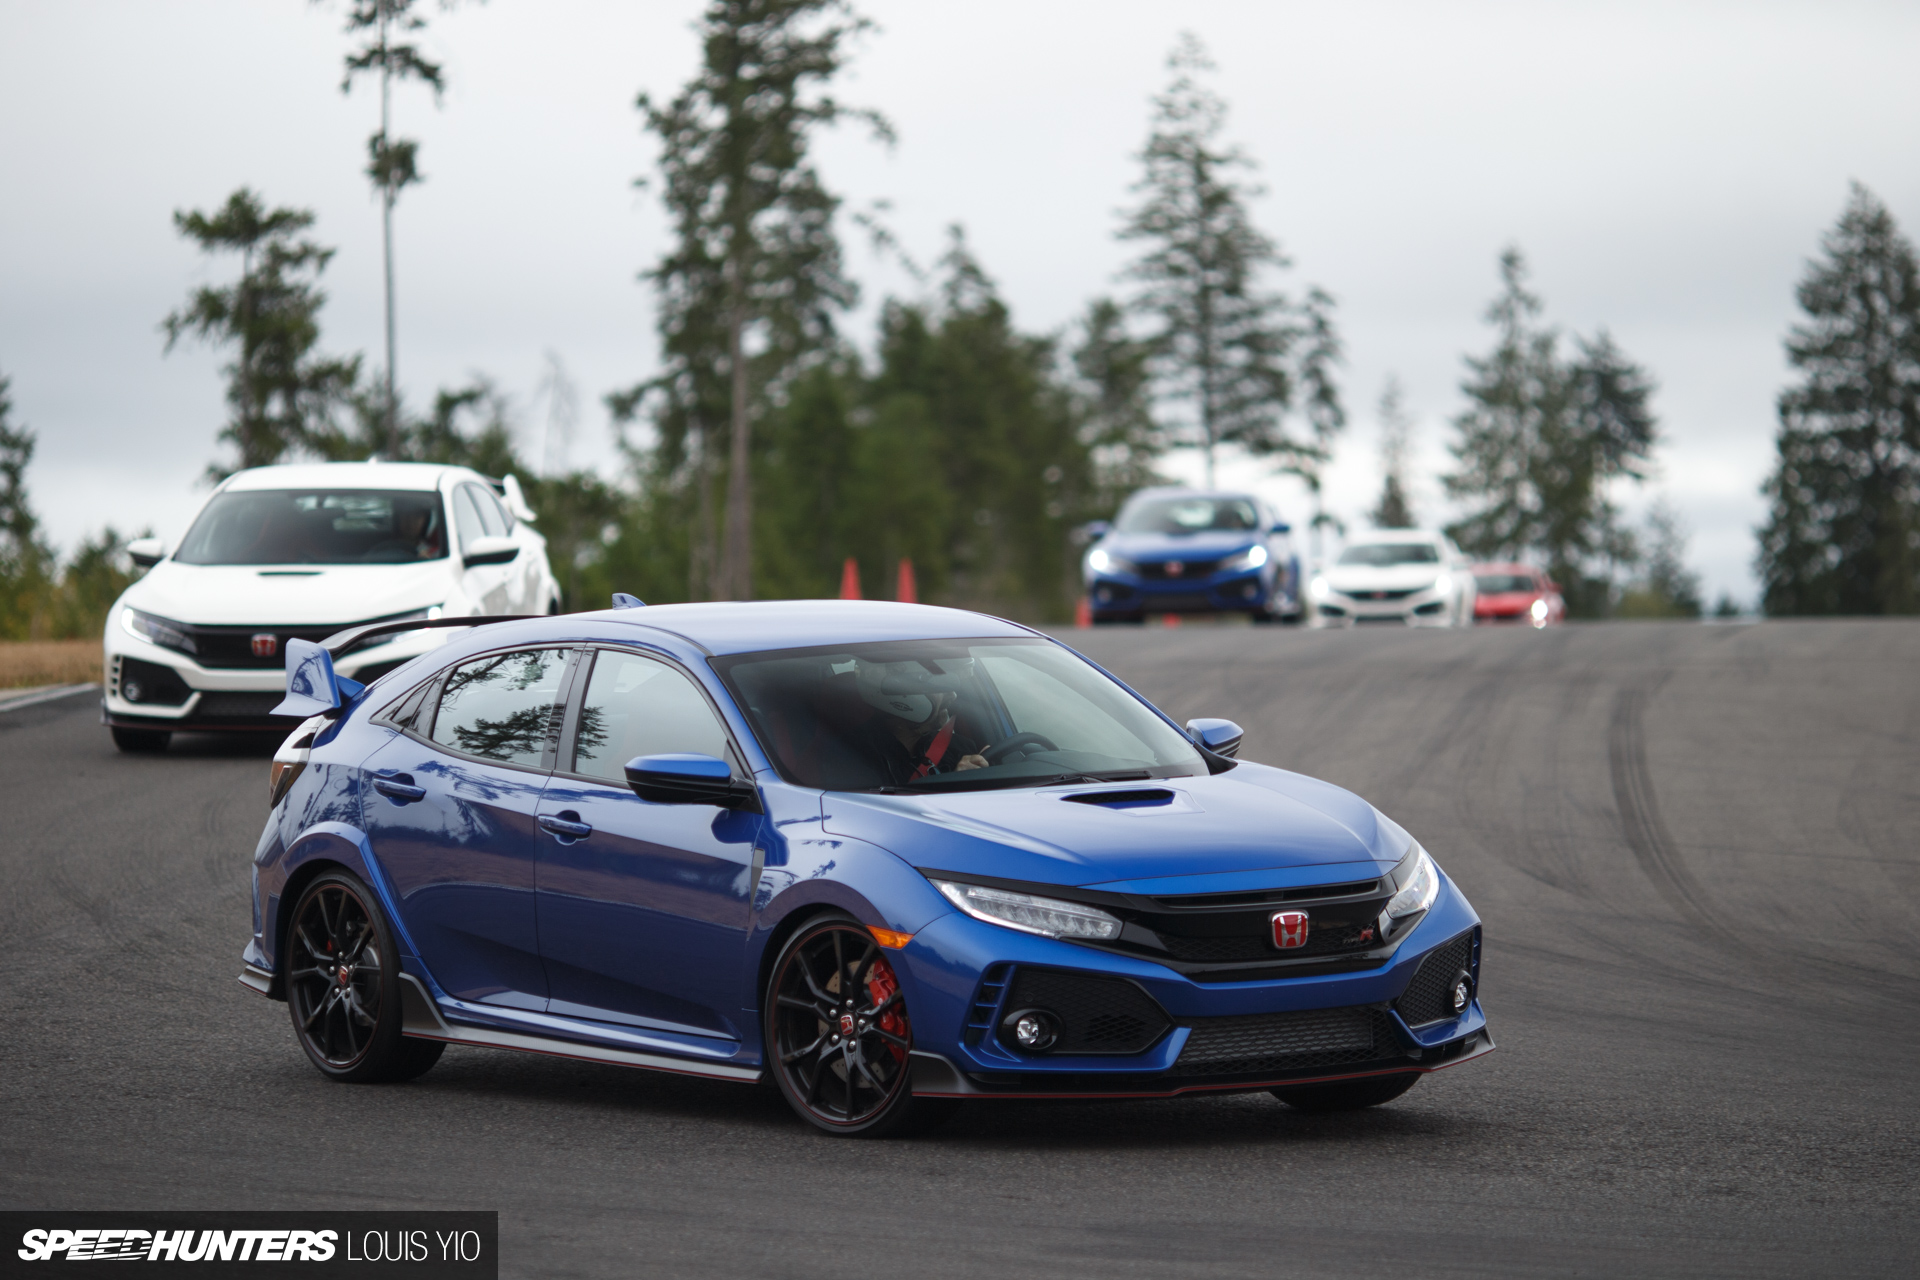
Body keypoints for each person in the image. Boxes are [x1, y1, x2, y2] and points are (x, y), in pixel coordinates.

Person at [853, 658, 990, 785]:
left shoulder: (960, 748)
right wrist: (954, 784)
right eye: (938, 686)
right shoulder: (855, 760)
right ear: (900, 692)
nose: (952, 696)